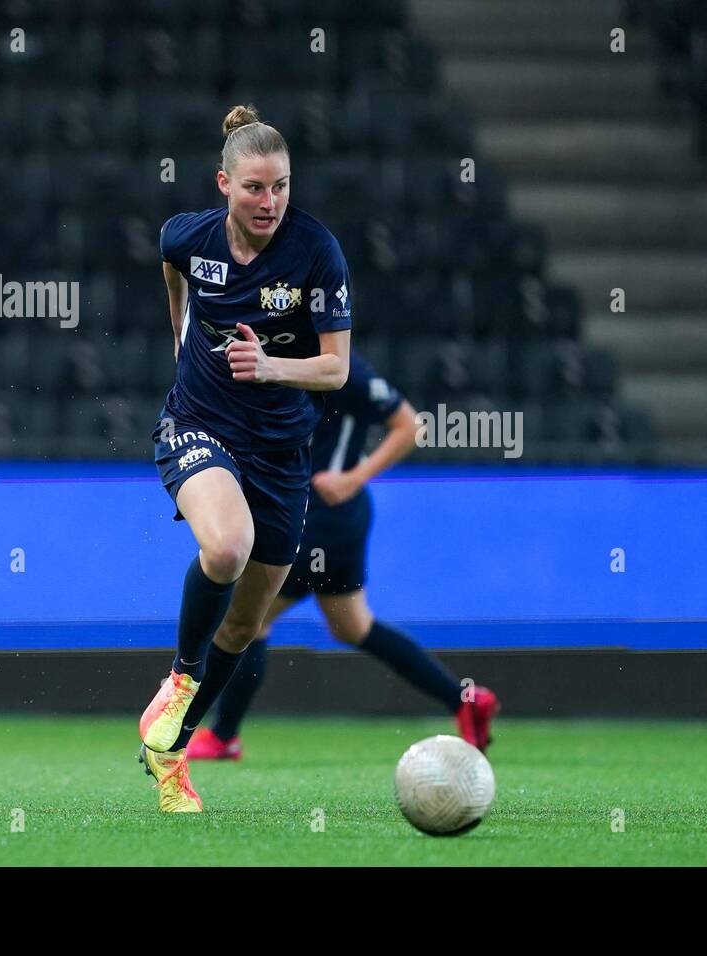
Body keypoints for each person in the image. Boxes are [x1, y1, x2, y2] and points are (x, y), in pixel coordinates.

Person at [137, 104, 352, 812]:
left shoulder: (316, 253)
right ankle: (178, 678)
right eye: (255, 188)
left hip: (282, 453)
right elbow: (173, 271)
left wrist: (270, 365)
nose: (270, 202)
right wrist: (180, 339)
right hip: (199, 426)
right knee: (226, 548)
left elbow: (336, 370)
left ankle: (171, 754)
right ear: (223, 183)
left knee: (247, 623)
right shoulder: (186, 236)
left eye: (281, 187)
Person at [187, 350, 500, 761]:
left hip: (322, 516)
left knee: (250, 618)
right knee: (352, 625)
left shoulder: (343, 371)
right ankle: (464, 700)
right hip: (329, 516)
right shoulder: (283, 361)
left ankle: (223, 735)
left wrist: (352, 478)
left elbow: (409, 425)